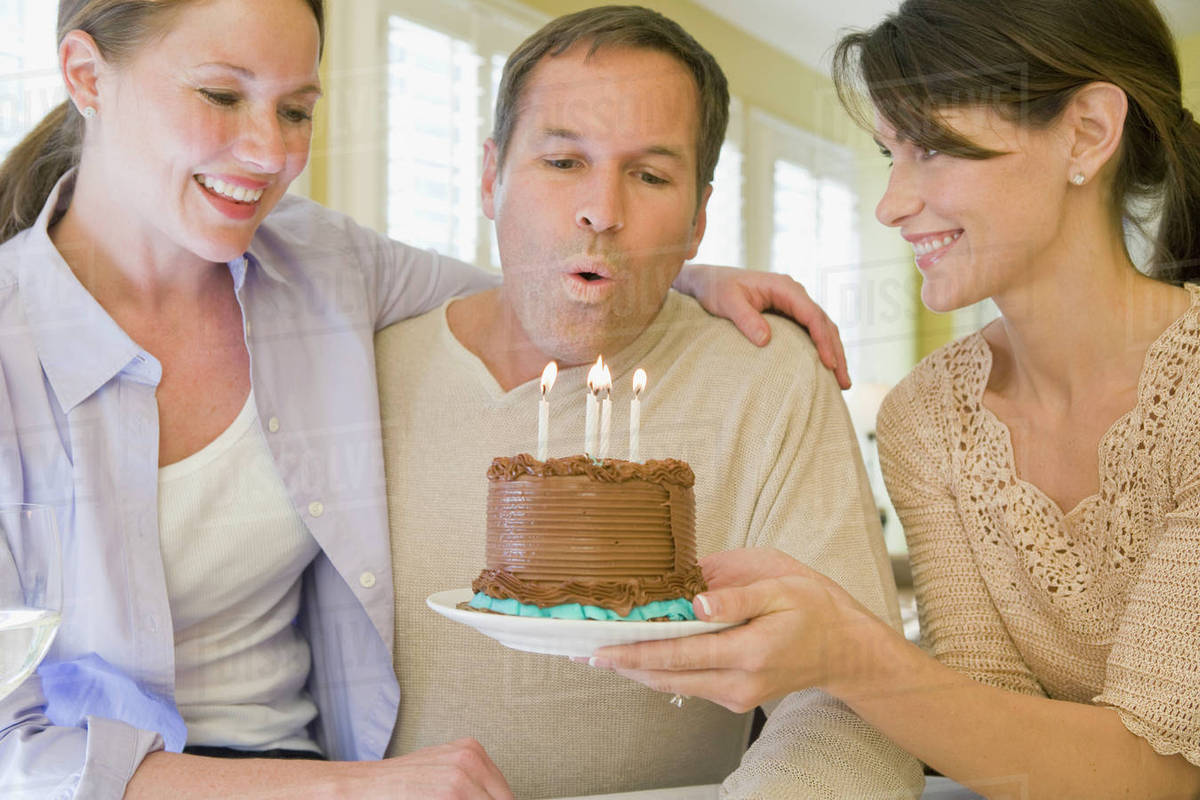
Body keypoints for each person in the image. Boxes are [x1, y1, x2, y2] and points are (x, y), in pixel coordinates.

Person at [0, 1, 854, 798]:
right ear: (85, 75)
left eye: (296, 110)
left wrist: (672, 272)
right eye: (221, 95)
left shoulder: (320, 268)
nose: (268, 152)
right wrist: (350, 791)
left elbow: (534, 277)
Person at [593, 0, 1200, 797]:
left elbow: (1162, 772)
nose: (892, 204)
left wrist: (851, 654)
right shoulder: (930, 418)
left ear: (1086, 133)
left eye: (935, 149)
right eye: (890, 155)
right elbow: (997, 736)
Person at [374, 7, 923, 799]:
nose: (602, 211)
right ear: (490, 177)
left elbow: (851, 708)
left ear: (699, 218)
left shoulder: (766, 378)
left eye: (651, 175)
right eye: (563, 161)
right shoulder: (365, 366)